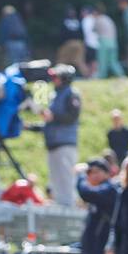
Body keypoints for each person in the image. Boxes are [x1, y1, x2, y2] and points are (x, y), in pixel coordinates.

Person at [42, 64, 81, 206]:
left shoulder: (71, 93)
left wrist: (53, 116)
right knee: (55, 179)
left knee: (66, 178)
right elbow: (50, 121)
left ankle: (69, 206)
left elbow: (72, 117)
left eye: (56, 77)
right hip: (53, 143)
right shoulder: (55, 95)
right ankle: (60, 204)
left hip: (65, 142)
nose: (53, 80)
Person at [94, 5, 123, 78]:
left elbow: (94, 30)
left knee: (102, 61)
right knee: (113, 61)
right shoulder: (108, 19)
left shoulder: (99, 19)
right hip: (113, 42)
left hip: (104, 42)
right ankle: (121, 75)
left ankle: (101, 76)